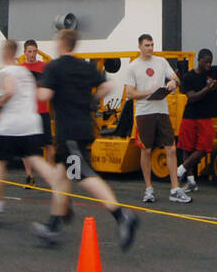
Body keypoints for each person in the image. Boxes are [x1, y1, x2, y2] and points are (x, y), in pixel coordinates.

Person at [31, 29, 139, 249]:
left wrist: (32, 88)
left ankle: (121, 215)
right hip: (82, 128)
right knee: (62, 178)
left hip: (68, 132)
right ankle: (53, 226)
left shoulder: (55, 67)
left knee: (83, 175)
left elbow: (44, 96)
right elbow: (108, 86)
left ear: (62, 43)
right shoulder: (85, 66)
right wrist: (90, 100)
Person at [0, 40, 64, 220]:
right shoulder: (26, 72)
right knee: (37, 159)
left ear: (5, 53)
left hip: (11, 125)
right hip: (31, 122)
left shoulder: (5, 71)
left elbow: (9, 91)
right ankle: (61, 193)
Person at [123, 34, 190, 204]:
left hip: (162, 111)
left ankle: (175, 189)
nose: (150, 48)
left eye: (152, 45)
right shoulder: (133, 67)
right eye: (147, 45)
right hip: (144, 113)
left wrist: (173, 83)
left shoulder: (161, 62)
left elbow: (175, 78)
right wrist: (149, 92)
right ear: (140, 46)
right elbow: (130, 93)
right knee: (146, 150)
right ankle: (148, 189)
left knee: (171, 148)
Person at [177, 49, 217, 191]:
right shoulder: (188, 77)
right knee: (187, 147)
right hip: (190, 115)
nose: (208, 65)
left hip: (205, 116)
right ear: (199, 60)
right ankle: (190, 180)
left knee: (205, 146)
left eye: (210, 62)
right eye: (206, 62)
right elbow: (192, 97)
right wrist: (208, 88)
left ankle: (181, 168)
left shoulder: (212, 71)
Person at [21, 39, 52, 171]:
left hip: (43, 111)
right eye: (29, 51)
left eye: (34, 51)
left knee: (48, 144)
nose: (32, 54)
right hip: (27, 112)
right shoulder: (21, 69)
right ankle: (29, 176)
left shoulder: (44, 67)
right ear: (25, 52)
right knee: (26, 146)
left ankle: (51, 173)